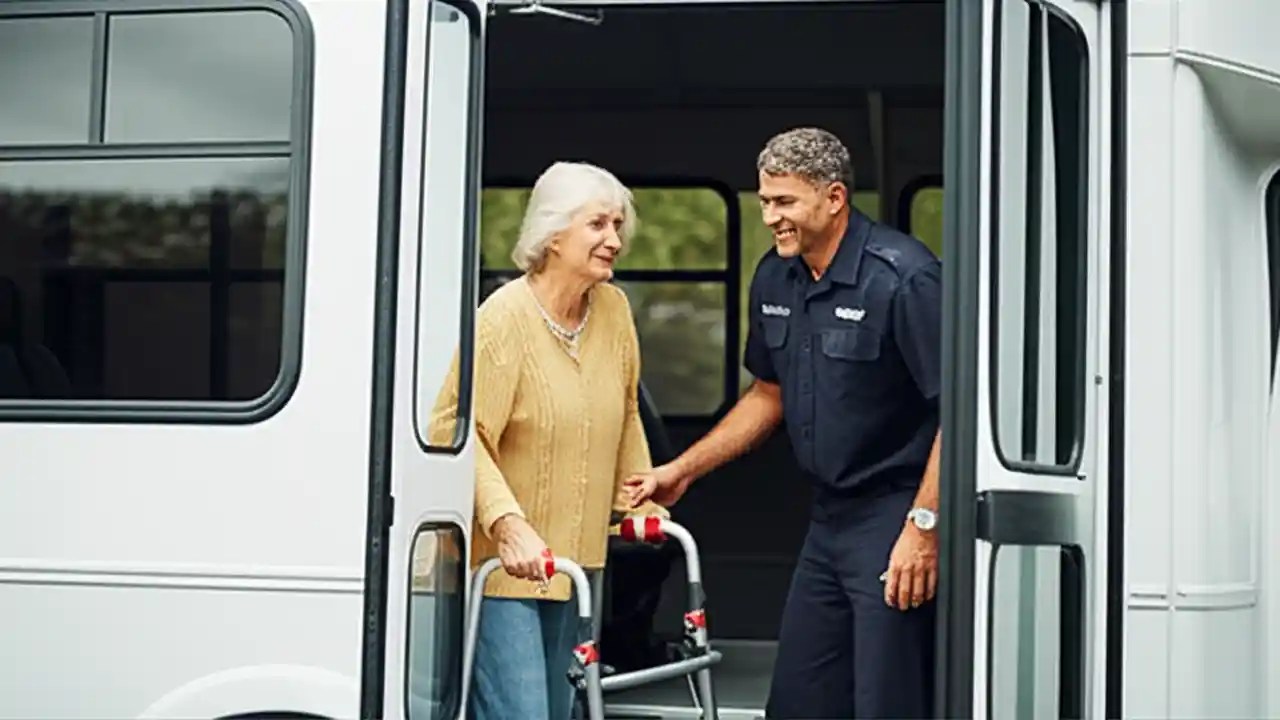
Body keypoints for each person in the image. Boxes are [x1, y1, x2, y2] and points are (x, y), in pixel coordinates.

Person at [625, 127, 942, 719]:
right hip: (828, 521)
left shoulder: (904, 277)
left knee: (887, 702)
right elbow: (767, 395)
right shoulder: (776, 275)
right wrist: (683, 470)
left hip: (894, 514)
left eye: (785, 202)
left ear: (834, 197)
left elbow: (957, 414)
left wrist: (924, 528)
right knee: (798, 700)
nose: (770, 216)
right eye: (766, 200)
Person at [427, 160, 667, 720]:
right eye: (598, 226)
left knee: (564, 710)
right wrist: (508, 528)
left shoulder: (613, 311)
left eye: (617, 226)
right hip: (508, 571)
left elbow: (625, 412)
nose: (615, 240)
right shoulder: (502, 319)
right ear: (554, 235)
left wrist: (636, 503)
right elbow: (456, 431)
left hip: (581, 561)